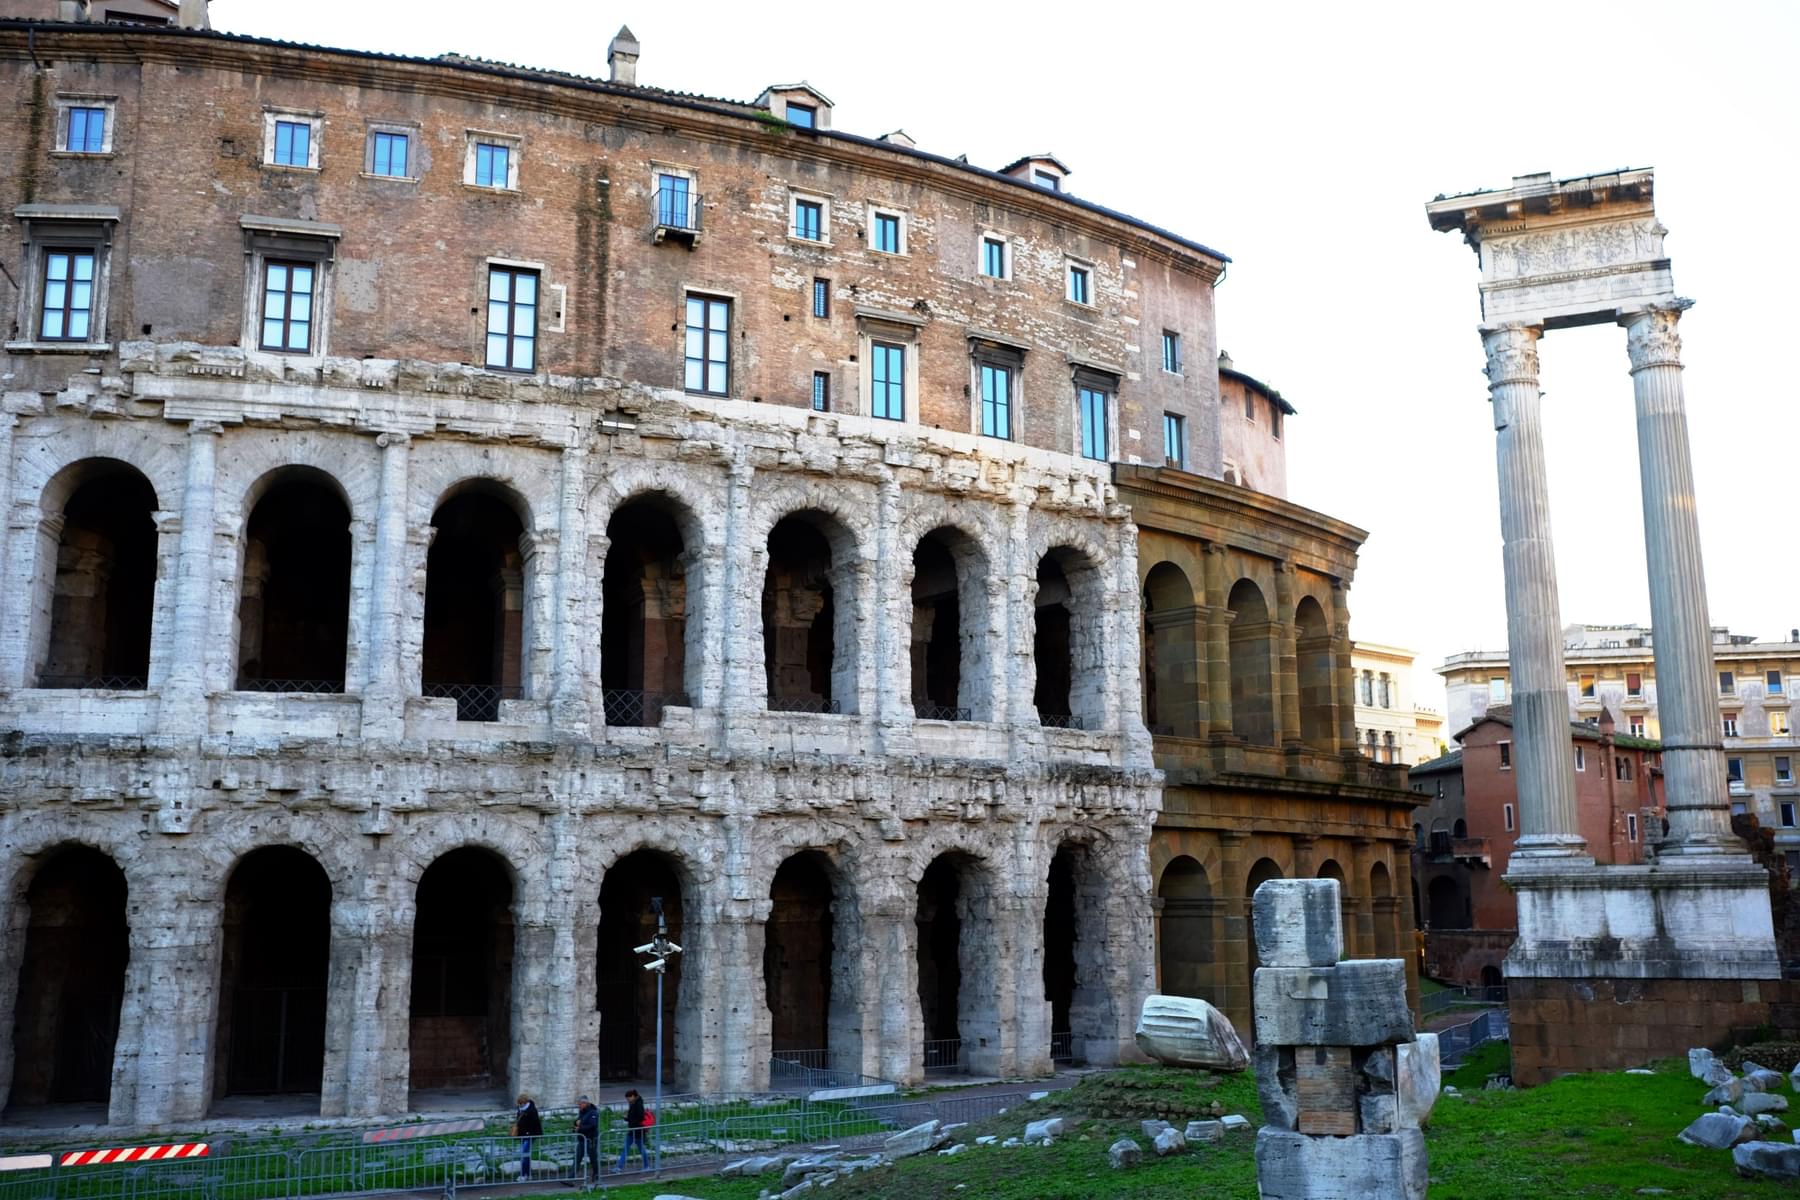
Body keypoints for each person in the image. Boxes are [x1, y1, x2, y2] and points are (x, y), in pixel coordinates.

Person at [615, 1088, 650, 1173]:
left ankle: (647, 1166)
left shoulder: (638, 1105)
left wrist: (629, 1119)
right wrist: (628, 1119)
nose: (627, 1100)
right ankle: (619, 1167)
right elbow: (634, 1117)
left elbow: (640, 1117)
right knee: (626, 1148)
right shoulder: (633, 1103)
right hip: (632, 1130)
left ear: (633, 1096)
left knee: (641, 1148)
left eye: (628, 1098)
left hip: (638, 1130)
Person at [515, 1093, 543, 1181]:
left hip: (530, 1134)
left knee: (524, 1154)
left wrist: (540, 1135)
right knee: (526, 1155)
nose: (520, 1105)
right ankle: (528, 1174)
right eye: (519, 1104)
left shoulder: (532, 1111)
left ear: (525, 1102)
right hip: (523, 1134)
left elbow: (537, 1123)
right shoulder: (520, 1109)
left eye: (521, 1103)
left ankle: (524, 1175)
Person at [573, 1095, 599, 1185]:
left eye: (580, 1104)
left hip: (591, 1139)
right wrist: (575, 1124)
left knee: (593, 1159)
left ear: (585, 1103)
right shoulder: (582, 1112)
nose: (579, 1106)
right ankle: (571, 1177)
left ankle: (596, 1175)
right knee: (577, 1158)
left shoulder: (593, 1112)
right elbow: (578, 1121)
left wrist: (580, 1128)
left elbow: (592, 1126)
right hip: (582, 1139)